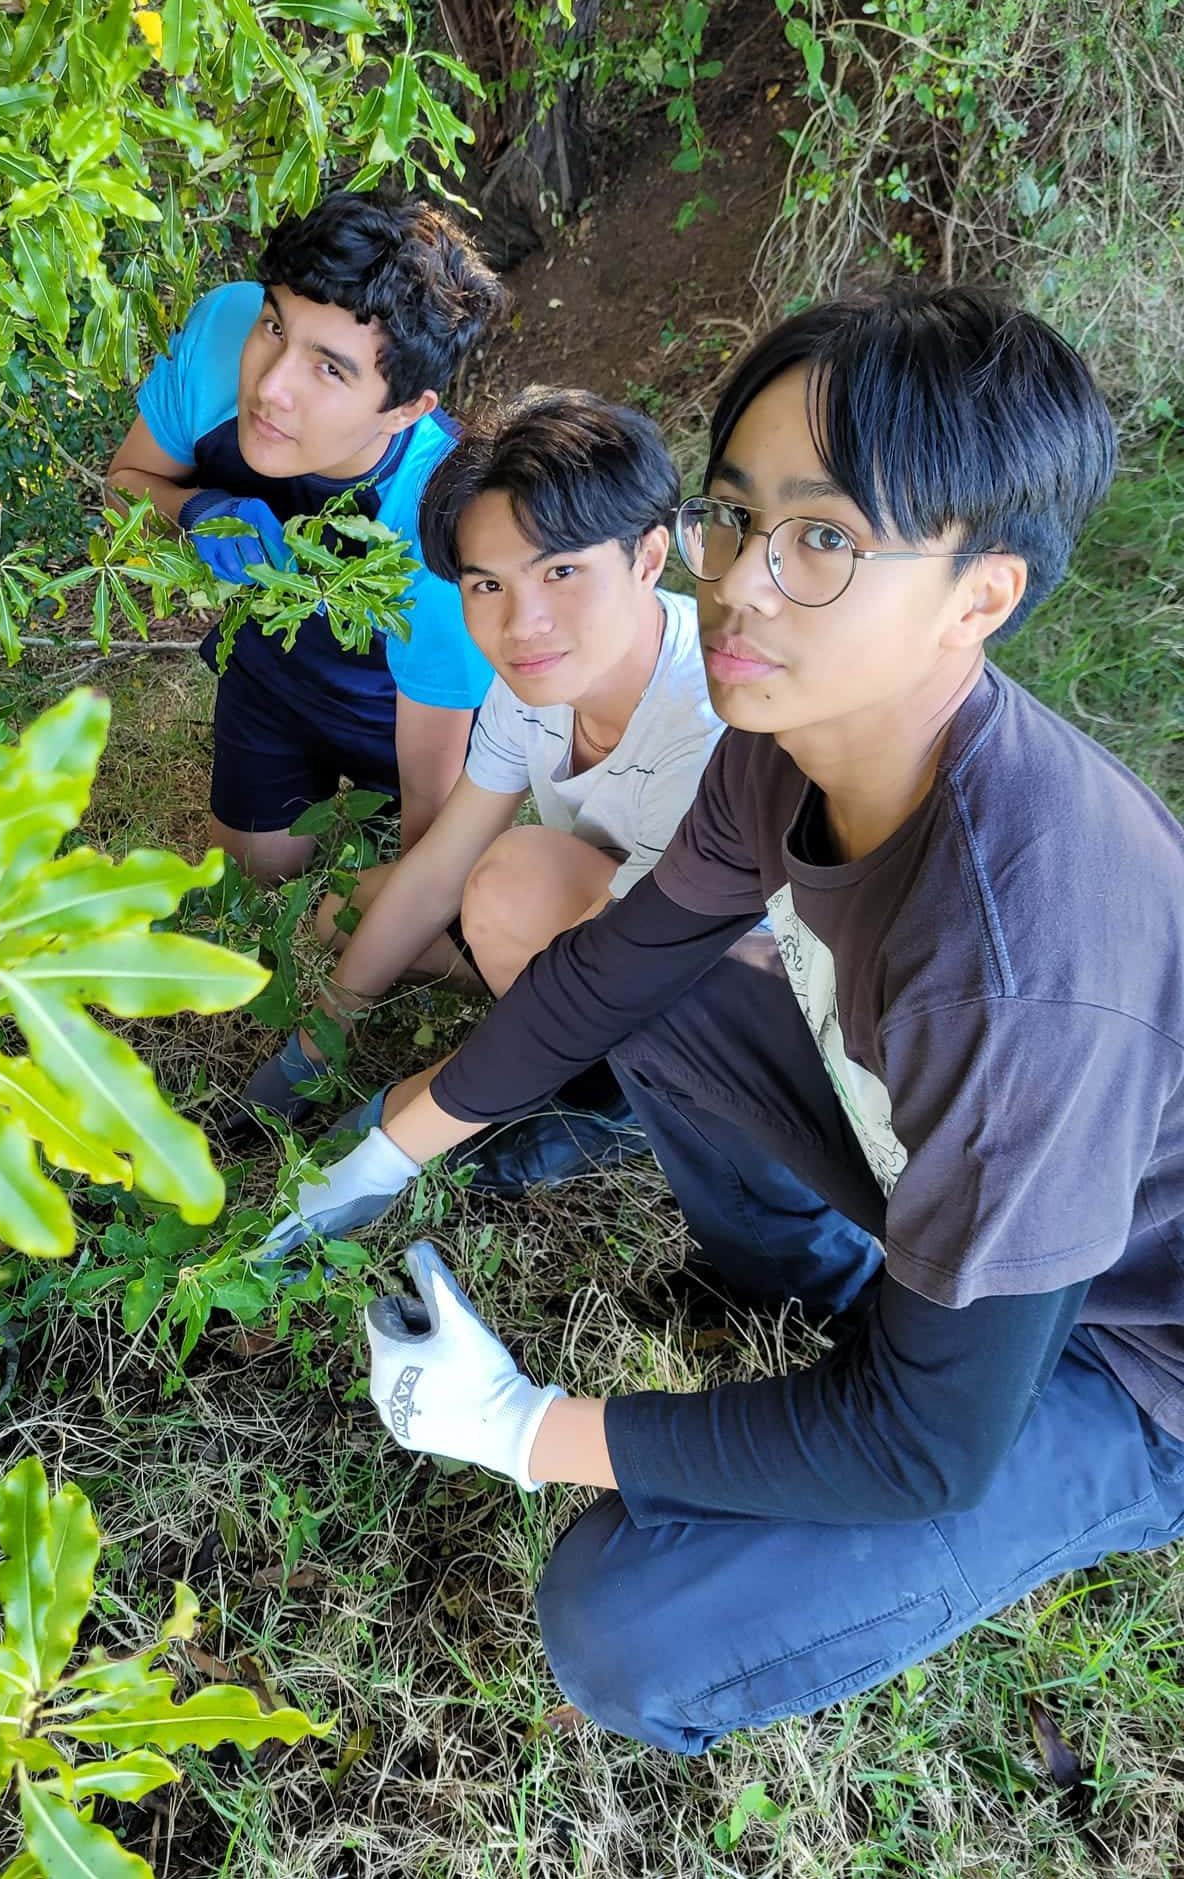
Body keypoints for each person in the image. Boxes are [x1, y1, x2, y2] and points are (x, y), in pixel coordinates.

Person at [255, 283, 1184, 1753]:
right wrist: (387, 1145)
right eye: (738, 517)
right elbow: (616, 966)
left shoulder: (1019, 956)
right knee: (659, 990)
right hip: (986, 1218)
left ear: (980, 595)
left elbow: (924, 1447)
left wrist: (524, 1425)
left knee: (626, 1622)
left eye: (826, 539)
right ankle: (811, 1281)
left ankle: (959, 1380)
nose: (741, 583)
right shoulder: (791, 740)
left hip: (1135, 1348)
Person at [225, 388, 723, 1161]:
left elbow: (623, 974)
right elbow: (437, 867)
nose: (522, 624)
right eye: (487, 585)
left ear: (648, 557)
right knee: (346, 912)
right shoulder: (529, 687)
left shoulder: (705, 730)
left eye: (560, 571)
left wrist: (418, 1109)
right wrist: (315, 1045)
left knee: (509, 883)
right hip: (604, 925)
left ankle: (606, 1110)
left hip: (698, 1003)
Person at [106, 191, 505, 884]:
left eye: (330, 368)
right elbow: (124, 486)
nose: (271, 386)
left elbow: (431, 803)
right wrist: (191, 507)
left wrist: (410, 891)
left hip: (405, 716)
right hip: (273, 669)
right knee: (240, 894)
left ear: (406, 409)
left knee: (403, 886)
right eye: (275, 327)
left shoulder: (445, 519)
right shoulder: (222, 330)